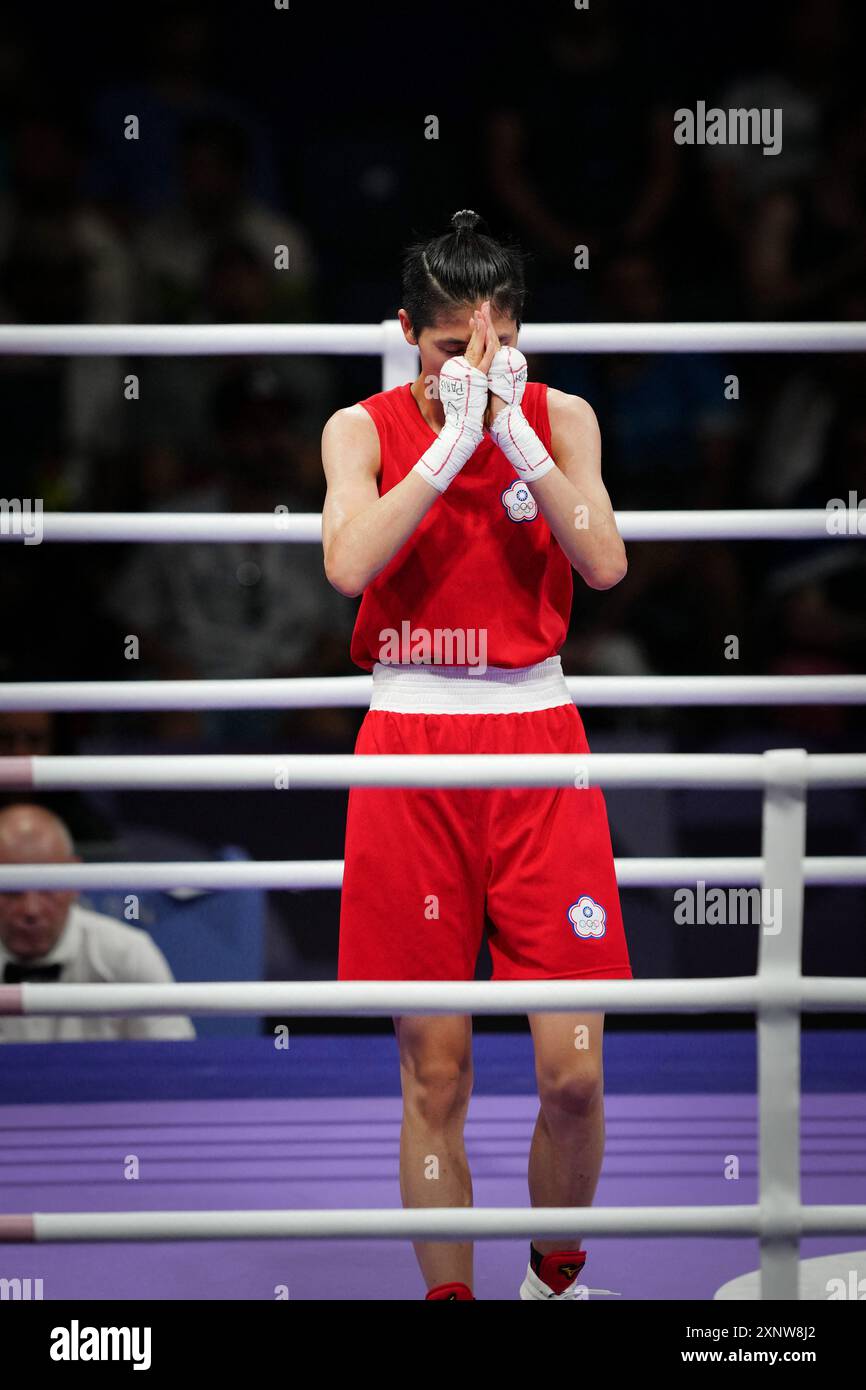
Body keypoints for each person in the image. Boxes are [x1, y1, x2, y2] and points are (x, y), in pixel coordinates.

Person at [321, 210, 632, 1300]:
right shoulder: (356, 429)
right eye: (454, 349)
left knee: (576, 1075)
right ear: (409, 333)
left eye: (495, 344)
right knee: (435, 1071)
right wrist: (449, 446)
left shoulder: (564, 416)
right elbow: (350, 566)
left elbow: (600, 562)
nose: (476, 367)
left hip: (538, 745)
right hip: (410, 749)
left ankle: (555, 1280)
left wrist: (516, 443)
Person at [0, 804, 195, 1043]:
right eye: (10, 891)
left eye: (47, 887)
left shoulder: (126, 953)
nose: (31, 909)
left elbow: (173, 1061)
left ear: (76, 877)